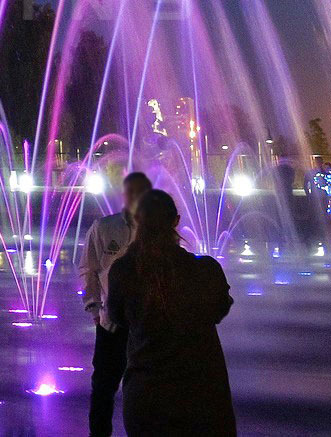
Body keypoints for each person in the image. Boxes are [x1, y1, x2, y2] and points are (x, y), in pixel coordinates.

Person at [107, 189, 237, 436]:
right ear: (176, 221)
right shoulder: (207, 270)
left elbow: (117, 317)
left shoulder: (123, 271)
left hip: (146, 396)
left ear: (137, 220)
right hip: (202, 396)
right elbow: (220, 308)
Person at [80, 170, 151, 437]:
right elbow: (88, 269)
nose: (135, 197)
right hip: (111, 323)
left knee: (145, 386)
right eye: (131, 191)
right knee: (103, 386)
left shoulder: (155, 230)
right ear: (124, 194)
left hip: (146, 324)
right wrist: (94, 309)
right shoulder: (104, 227)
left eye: (141, 192)